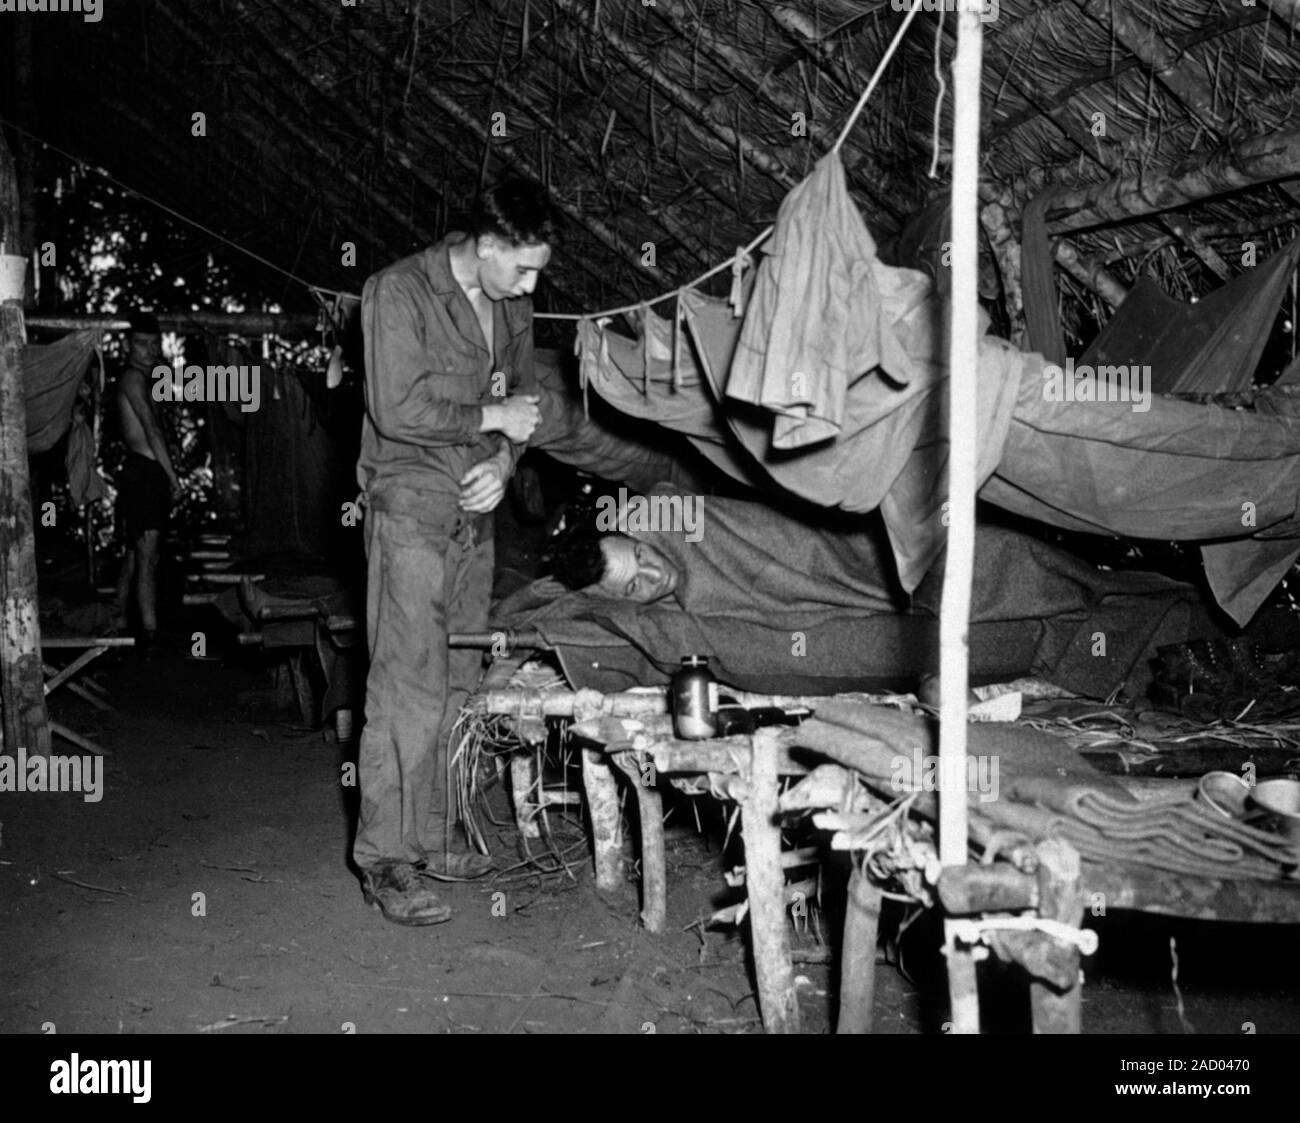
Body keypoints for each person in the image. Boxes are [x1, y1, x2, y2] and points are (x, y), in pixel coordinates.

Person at [354, 179, 555, 925]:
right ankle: (386, 859)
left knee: (460, 673)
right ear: (487, 244)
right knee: (406, 679)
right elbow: (395, 406)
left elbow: (524, 407)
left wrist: (505, 461)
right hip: (409, 503)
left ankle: (438, 834)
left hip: (477, 507)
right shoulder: (397, 291)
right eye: (524, 269)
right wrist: (489, 413)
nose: (531, 285)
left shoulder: (512, 307)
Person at [112, 311, 182, 646]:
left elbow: (160, 426)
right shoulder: (132, 379)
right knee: (147, 557)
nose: (148, 350)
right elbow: (151, 430)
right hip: (144, 473)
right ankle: (151, 635)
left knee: (134, 553)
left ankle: (118, 620)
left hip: (144, 472)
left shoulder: (148, 379)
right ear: (128, 345)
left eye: (154, 344)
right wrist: (174, 478)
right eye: (141, 343)